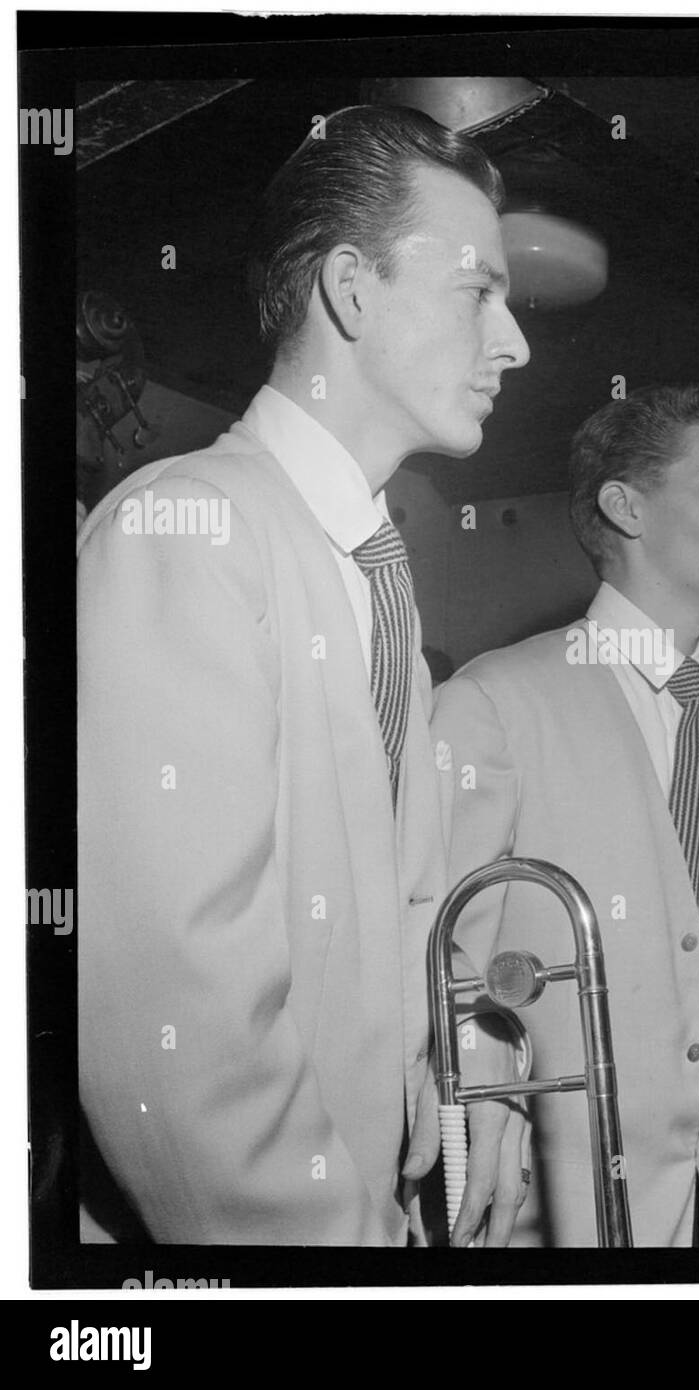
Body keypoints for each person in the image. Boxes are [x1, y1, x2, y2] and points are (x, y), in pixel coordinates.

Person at [77, 105, 532, 1246]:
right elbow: (179, 1039)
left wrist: (434, 1089)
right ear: (351, 289)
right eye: (479, 290)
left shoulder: (374, 569)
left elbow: (383, 913)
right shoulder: (186, 530)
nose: (515, 341)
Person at [430, 386, 699, 1245]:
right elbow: (444, 958)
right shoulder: (493, 700)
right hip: (541, 1202)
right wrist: (486, 1116)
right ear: (625, 505)